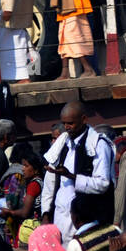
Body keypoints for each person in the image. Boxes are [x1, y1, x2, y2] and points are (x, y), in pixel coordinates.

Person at [41, 102, 115, 243]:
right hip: (60, 219)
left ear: (84, 119)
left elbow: (103, 183)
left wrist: (72, 176)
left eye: (70, 123)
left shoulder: (98, 145)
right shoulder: (61, 143)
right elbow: (49, 183)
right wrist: (45, 213)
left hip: (87, 221)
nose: (67, 127)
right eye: (64, 123)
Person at [0, 146, 43, 250]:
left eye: (26, 166)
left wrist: (10, 213)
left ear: (35, 170)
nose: (23, 168)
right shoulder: (35, 182)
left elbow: (25, 212)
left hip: (30, 228)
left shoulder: (33, 185)